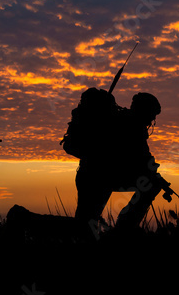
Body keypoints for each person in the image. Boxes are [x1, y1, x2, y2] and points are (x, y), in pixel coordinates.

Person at [74, 92, 173, 232]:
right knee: (85, 223)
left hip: (94, 176)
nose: (152, 119)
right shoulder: (132, 126)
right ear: (143, 110)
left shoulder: (122, 120)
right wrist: (155, 176)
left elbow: (140, 161)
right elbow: (143, 159)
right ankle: (124, 228)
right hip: (98, 178)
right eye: (152, 114)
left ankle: (123, 228)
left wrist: (152, 173)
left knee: (86, 222)